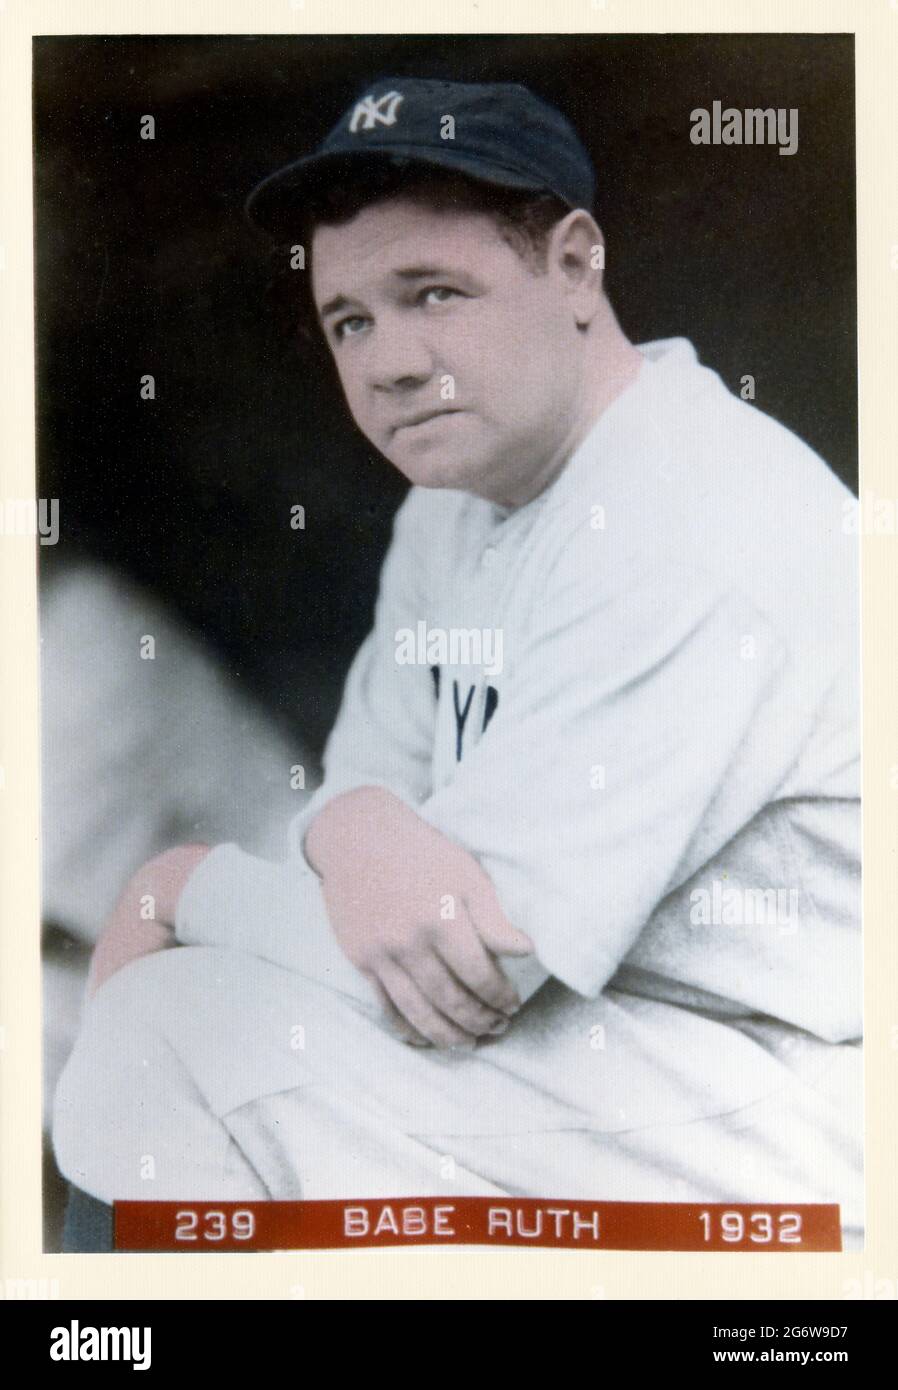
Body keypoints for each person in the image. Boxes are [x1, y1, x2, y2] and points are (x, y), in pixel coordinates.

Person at [52, 77, 862, 1251]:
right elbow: (360, 815)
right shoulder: (456, 500)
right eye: (351, 321)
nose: (386, 361)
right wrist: (353, 824)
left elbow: (463, 959)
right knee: (175, 1039)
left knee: (181, 1035)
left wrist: (178, 888)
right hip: (621, 1054)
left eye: (434, 293)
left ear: (575, 267)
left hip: (796, 1093)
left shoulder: (693, 517)